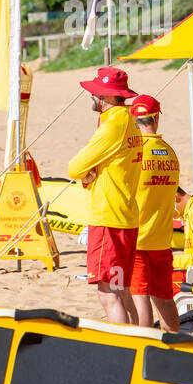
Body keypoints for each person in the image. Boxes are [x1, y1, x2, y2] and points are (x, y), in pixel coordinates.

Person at [67, 65, 143, 324]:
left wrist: (88, 174)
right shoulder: (131, 120)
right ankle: (136, 341)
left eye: (96, 92)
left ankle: (123, 346)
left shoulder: (113, 125)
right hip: (126, 215)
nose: (92, 96)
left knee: (108, 294)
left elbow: (74, 167)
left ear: (107, 97)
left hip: (108, 217)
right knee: (121, 289)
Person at [128, 94, 181, 332]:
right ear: (156, 118)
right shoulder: (169, 152)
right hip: (162, 238)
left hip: (138, 237)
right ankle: (176, 347)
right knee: (164, 298)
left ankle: (144, 348)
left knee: (140, 297)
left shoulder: (136, 152)